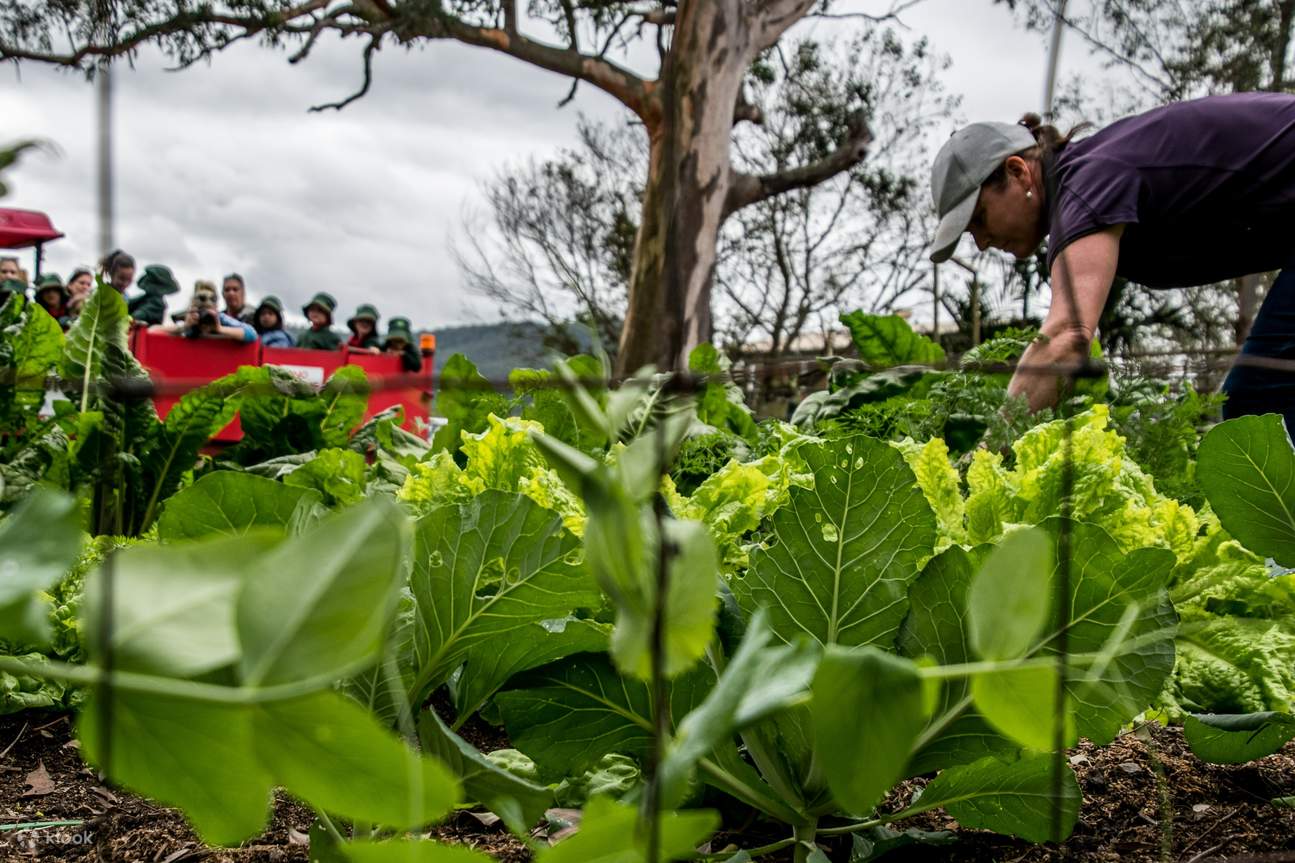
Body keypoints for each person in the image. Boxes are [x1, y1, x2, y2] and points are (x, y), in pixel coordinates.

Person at [929, 93, 1295, 427]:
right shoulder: (1086, 184)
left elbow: (1067, 337)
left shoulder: (1087, 185)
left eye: (978, 218)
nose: (980, 242)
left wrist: (993, 450)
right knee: (1261, 402)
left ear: (1017, 172)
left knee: (1262, 401)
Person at [151, 290, 256, 343]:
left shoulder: (220, 318)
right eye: (201, 312)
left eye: (207, 311)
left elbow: (252, 334)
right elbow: (152, 332)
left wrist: (219, 328)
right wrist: (184, 327)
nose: (204, 317)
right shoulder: (189, 321)